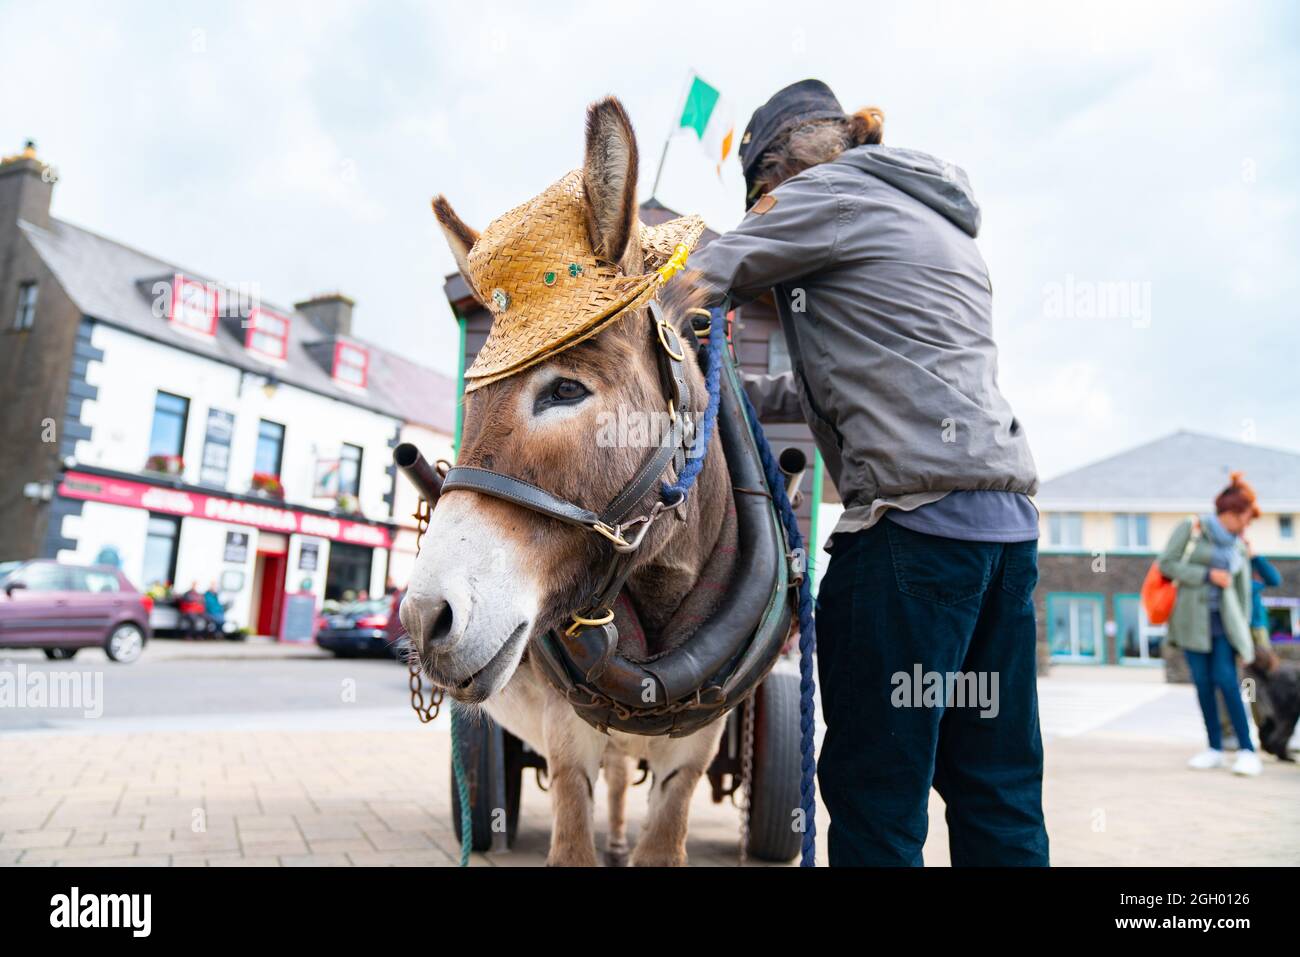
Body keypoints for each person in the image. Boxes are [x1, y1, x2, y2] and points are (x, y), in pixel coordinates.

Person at [689, 80, 1045, 866]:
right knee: (997, 786)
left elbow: (699, 275)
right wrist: (742, 399)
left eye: (757, 198)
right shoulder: (931, 214)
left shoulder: (822, 192)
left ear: (777, 170)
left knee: (876, 793)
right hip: (1004, 537)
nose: (762, 216)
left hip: (910, 541)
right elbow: (868, 376)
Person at [1157, 472, 1261, 776]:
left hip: (1225, 624)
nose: (1247, 524)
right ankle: (1214, 748)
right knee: (1202, 684)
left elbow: (1241, 592)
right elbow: (1167, 564)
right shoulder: (1192, 529)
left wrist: (1244, 630)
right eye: (1245, 518)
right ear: (1230, 514)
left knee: (1228, 682)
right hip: (1192, 622)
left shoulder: (1239, 545)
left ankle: (1246, 750)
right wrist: (1205, 575)